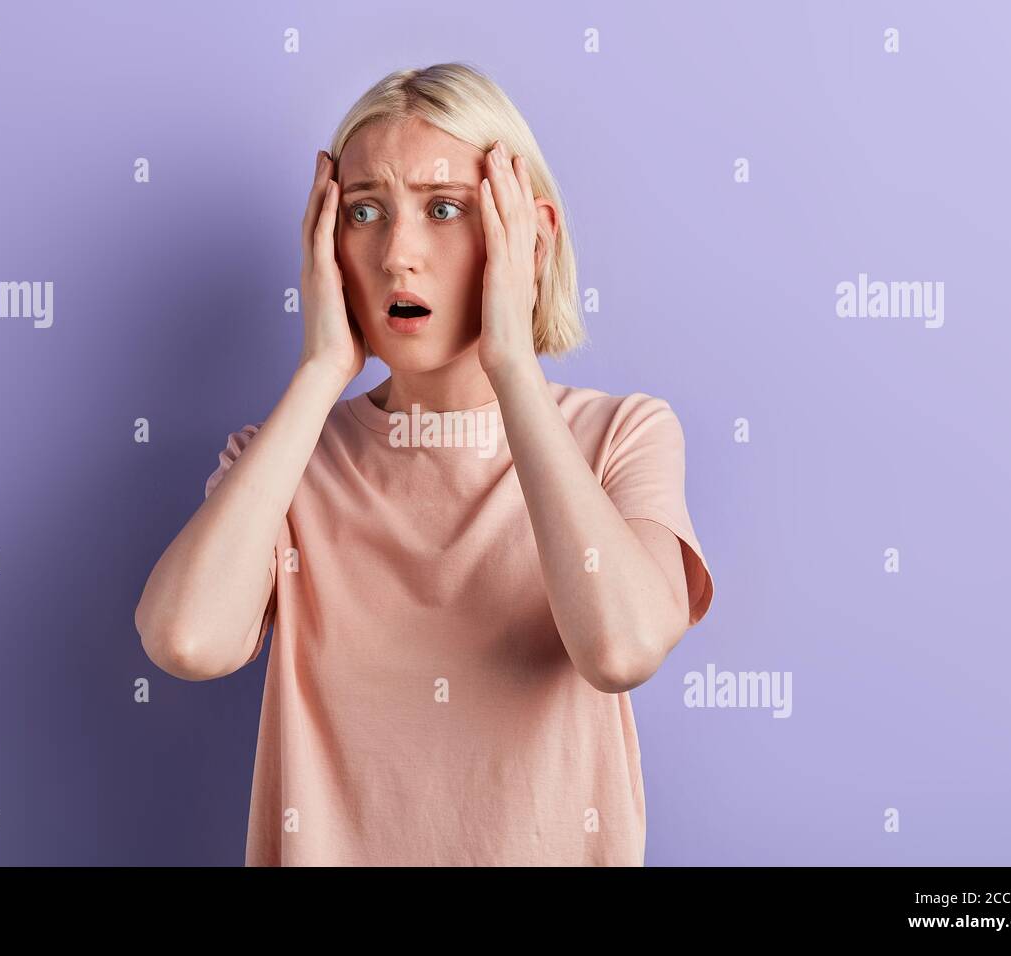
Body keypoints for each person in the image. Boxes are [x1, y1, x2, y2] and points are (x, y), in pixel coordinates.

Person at [135, 62, 715, 866]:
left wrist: (514, 365)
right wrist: (318, 373)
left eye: (445, 210)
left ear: (528, 235)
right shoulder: (283, 460)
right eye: (365, 212)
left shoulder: (622, 436)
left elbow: (621, 651)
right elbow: (185, 641)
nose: (398, 254)